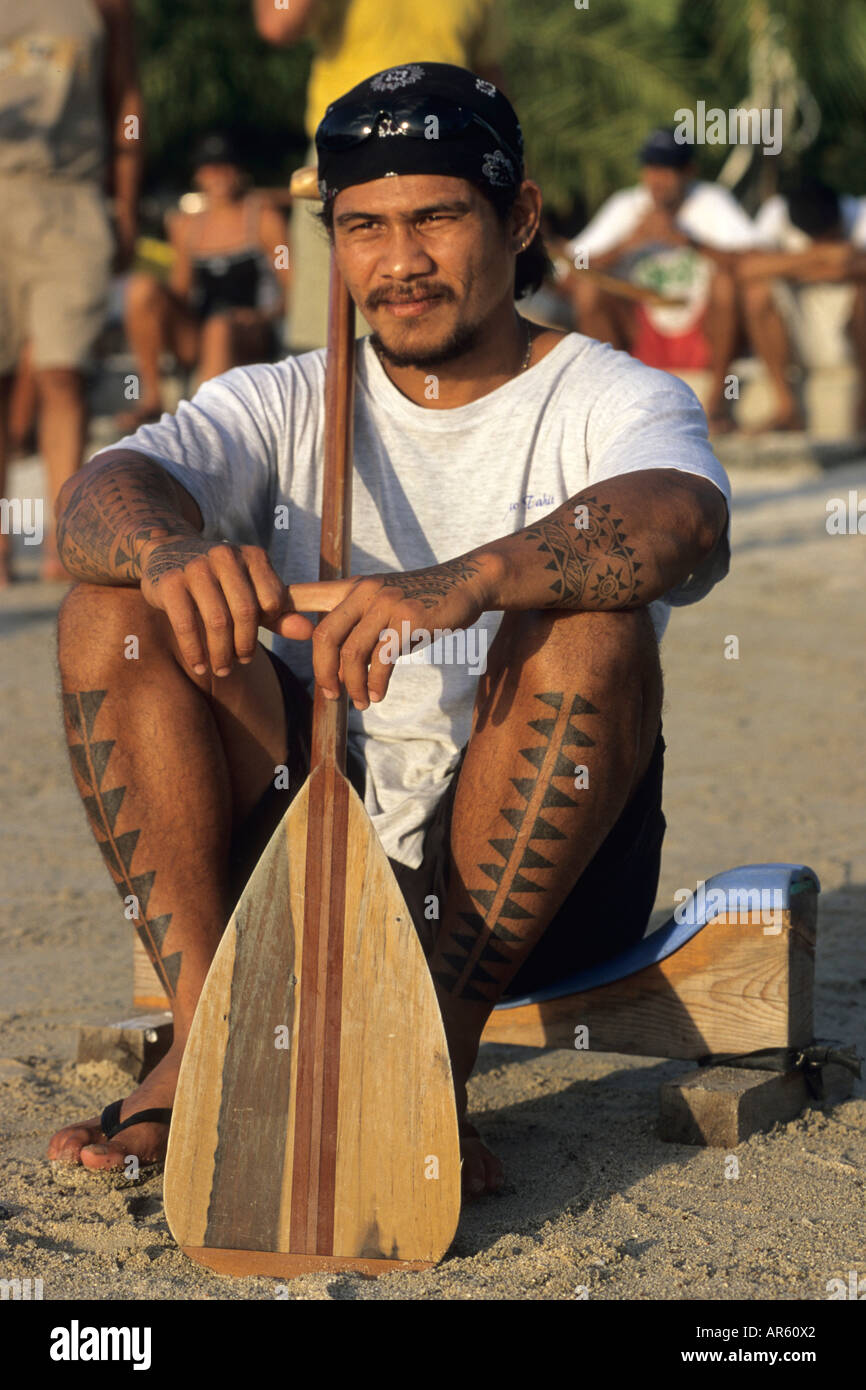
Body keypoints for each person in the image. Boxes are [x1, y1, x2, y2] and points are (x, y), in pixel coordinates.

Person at [47, 64, 730, 1198]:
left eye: (435, 219)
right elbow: (95, 494)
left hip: (530, 889)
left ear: (517, 220)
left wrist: (465, 581)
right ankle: (207, 1039)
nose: (396, 261)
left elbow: (683, 524)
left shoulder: (611, 394)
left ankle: (430, 1061)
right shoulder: (284, 395)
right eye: (361, 226)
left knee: (593, 631)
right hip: (303, 849)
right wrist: (169, 552)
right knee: (113, 604)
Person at [254, 0, 506, 350]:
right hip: (346, 156)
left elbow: (487, 74)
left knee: (453, 336)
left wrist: (509, 165)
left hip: (446, 158)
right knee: (323, 343)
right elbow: (279, 23)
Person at [0, 0, 142, 584]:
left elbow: (126, 99)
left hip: (73, 196)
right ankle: (3, 541)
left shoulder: (106, 6)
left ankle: (63, 536)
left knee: (64, 370)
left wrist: (126, 205)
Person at [565, 128, 758, 434]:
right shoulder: (626, 205)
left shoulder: (710, 200)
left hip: (702, 333)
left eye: (668, 170)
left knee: (725, 282)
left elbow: (754, 260)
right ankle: (617, 402)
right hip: (644, 333)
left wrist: (690, 243)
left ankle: (717, 403)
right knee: (589, 289)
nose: (657, 179)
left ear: (688, 172)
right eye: (652, 168)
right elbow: (571, 267)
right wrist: (627, 244)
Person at [118, 134, 289, 430]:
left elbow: (288, 281)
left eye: (225, 167)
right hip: (201, 332)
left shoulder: (264, 219)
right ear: (198, 175)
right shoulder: (186, 226)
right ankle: (150, 397)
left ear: (238, 171)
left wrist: (265, 316)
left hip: (251, 331)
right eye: (210, 168)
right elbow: (181, 291)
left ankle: (203, 423)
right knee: (141, 289)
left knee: (219, 327)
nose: (218, 176)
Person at [738, 177, 866, 432]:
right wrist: (822, 256)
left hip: (849, 328)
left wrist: (788, 267)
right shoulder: (777, 211)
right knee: (756, 294)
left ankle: (863, 405)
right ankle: (787, 408)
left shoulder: (860, 212)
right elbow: (746, 269)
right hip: (798, 327)